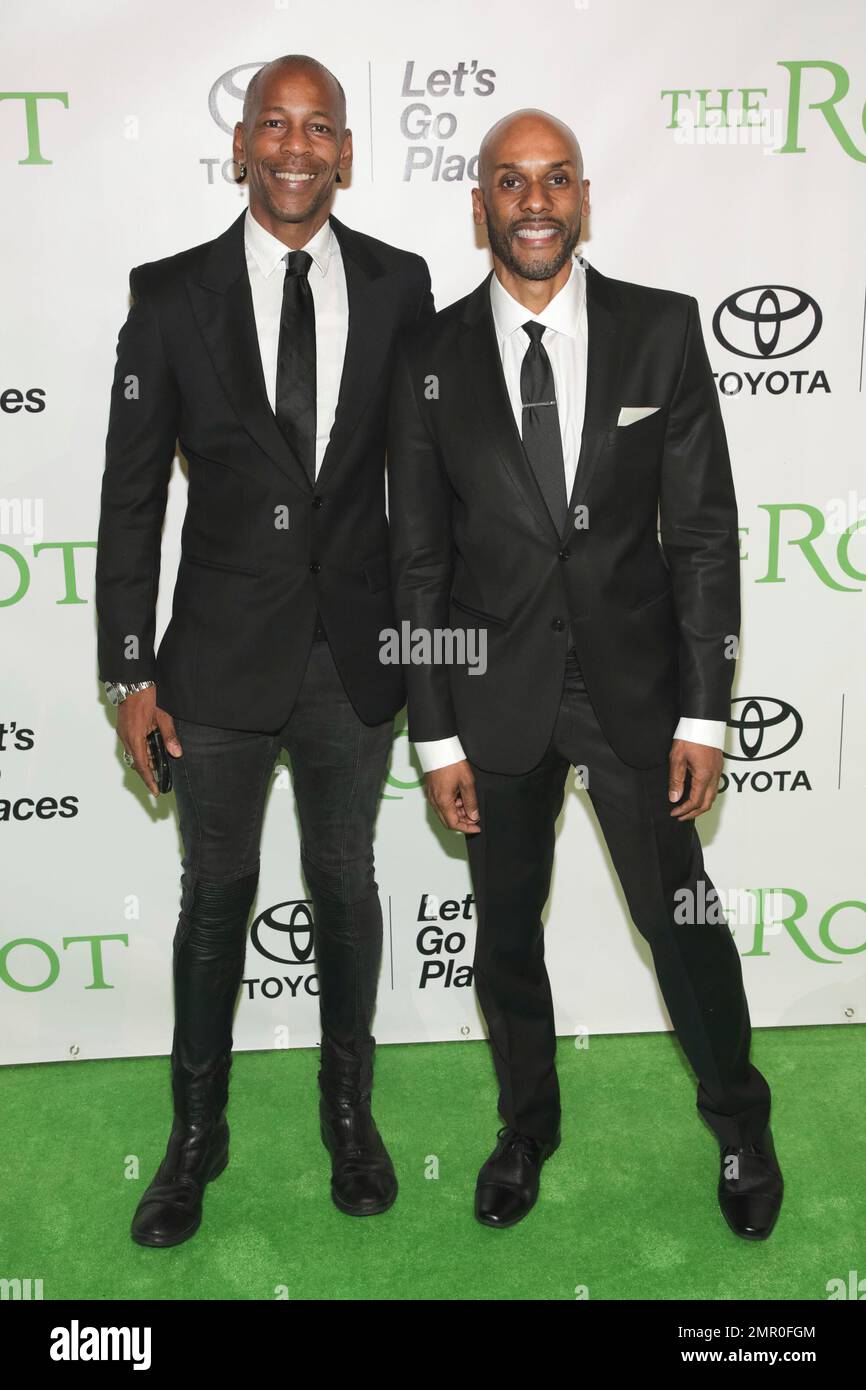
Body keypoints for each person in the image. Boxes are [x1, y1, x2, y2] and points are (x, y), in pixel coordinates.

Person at [387, 109, 782, 1237]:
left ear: (583, 196)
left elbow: (702, 536)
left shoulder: (661, 332)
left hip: (638, 703)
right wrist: (434, 735)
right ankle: (524, 1127)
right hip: (490, 703)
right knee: (504, 937)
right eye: (510, 183)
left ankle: (739, 1125)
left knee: (684, 923)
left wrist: (705, 712)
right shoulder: (428, 357)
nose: (534, 203)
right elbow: (417, 560)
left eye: (554, 179)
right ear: (480, 207)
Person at [96, 54, 434, 1246]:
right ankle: (196, 1136)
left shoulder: (401, 285)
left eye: (319, 129)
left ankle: (351, 1116)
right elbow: (131, 499)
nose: (295, 147)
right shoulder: (170, 292)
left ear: (345, 152)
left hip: (352, 659)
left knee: (345, 886)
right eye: (273, 126)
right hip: (218, 667)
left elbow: (423, 486)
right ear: (241, 146)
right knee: (214, 898)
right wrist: (129, 673)